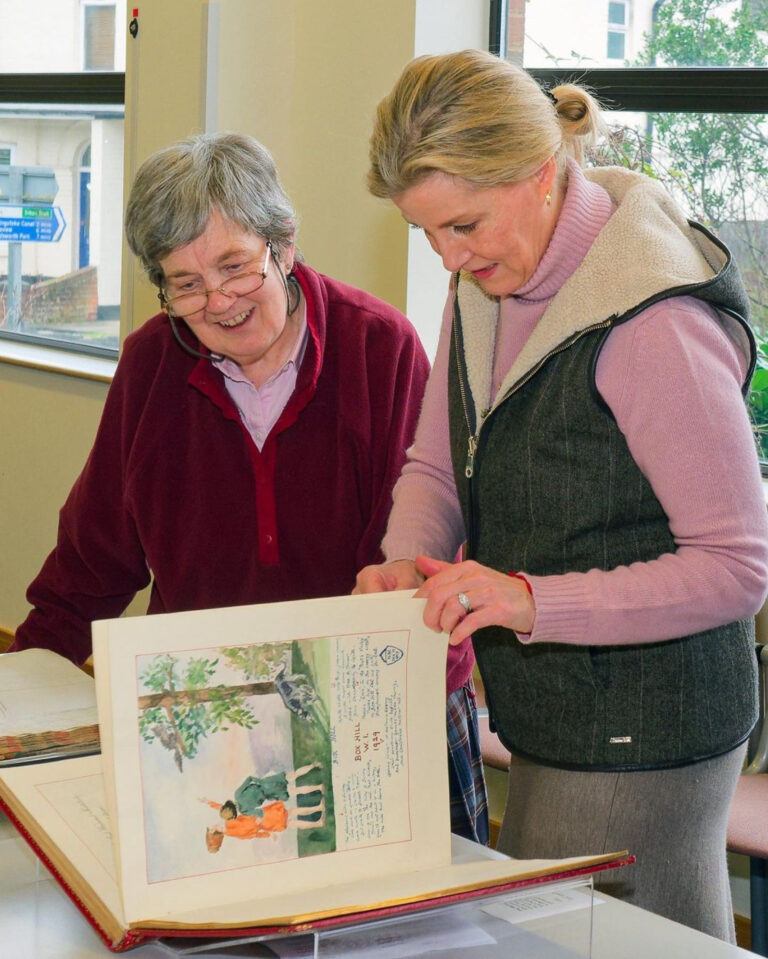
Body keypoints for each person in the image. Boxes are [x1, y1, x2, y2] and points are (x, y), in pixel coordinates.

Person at [355, 49, 768, 941]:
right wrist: (398, 564)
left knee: (567, 937)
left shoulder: (653, 320)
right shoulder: (487, 276)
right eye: (427, 234)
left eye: (461, 226)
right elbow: (436, 463)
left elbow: (736, 569)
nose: (447, 257)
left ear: (541, 176)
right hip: (562, 702)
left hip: (650, 723)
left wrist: (530, 599)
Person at [11, 132, 486, 845]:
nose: (219, 302)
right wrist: (16, 701)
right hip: (211, 717)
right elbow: (89, 566)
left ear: (283, 246)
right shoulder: (150, 366)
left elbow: (420, 560)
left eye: (235, 267)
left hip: (374, 709)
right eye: (186, 283)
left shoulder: (378, 350)